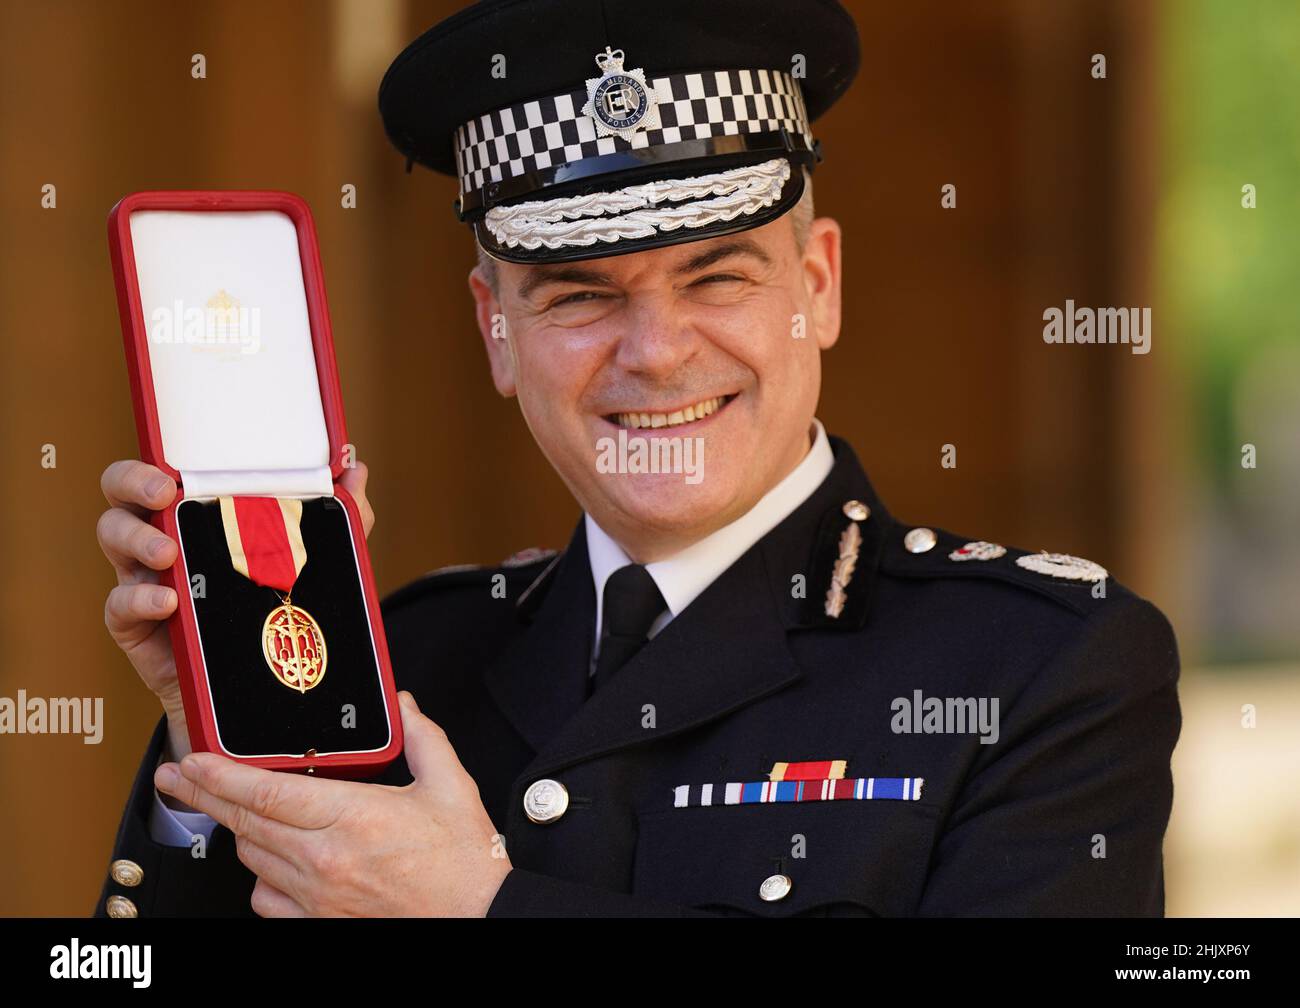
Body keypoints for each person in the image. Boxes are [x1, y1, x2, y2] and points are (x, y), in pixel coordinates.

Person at [94, 0, 1181, 918]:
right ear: (496, 333)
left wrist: (483, 908)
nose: (657, 354)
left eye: (717, 278)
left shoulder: (1037, 667)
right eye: (579, 294)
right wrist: (220, 738)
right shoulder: (400, 665)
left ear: (818, 288)